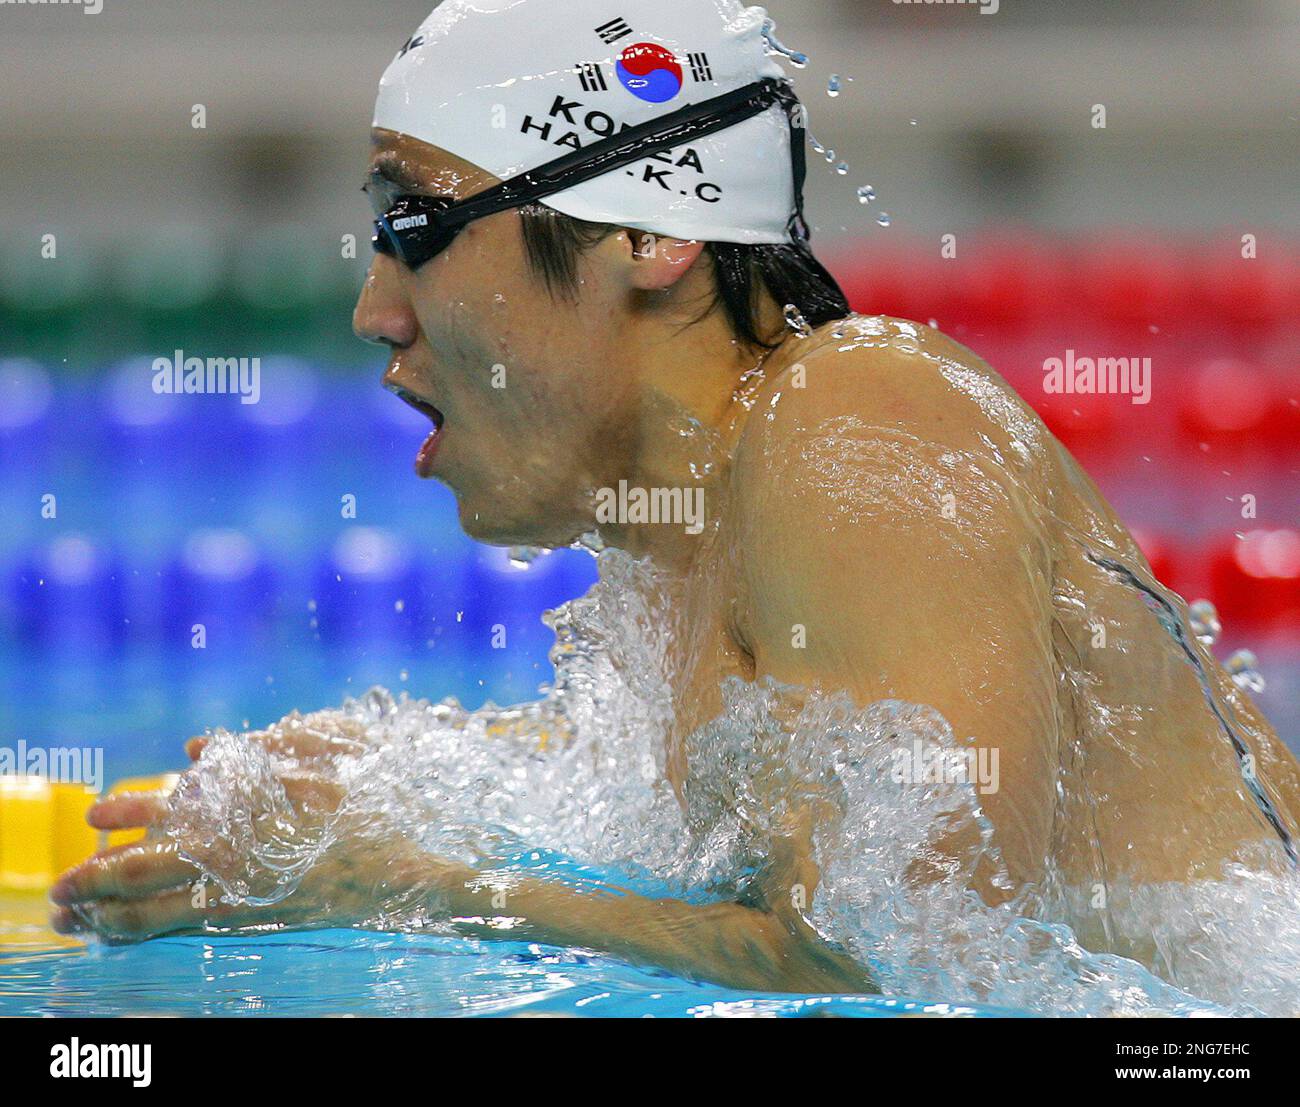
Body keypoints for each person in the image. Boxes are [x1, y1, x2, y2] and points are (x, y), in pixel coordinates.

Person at [49, 0, 1300, 995]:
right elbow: (745, 825)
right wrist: (378, 781)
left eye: (414, 221)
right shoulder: (680, 533)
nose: (375, 310)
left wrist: (403, 884)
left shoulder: (857, 419)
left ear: (650, 235)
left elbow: (913, 965)